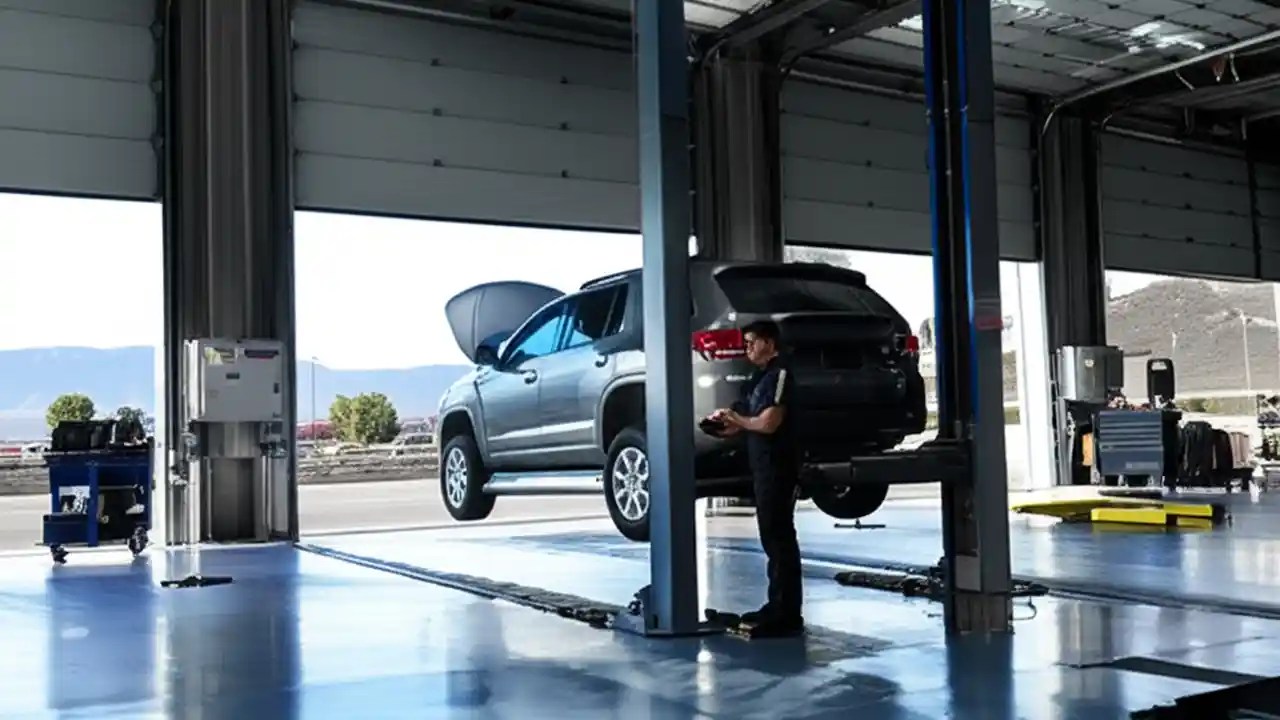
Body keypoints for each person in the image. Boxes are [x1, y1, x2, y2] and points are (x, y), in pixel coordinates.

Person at [707, 319, 803, 636]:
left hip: (779, 465)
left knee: (779, 537)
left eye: (751, 341)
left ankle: (787, 613)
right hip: (761, 465)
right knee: (770, 536)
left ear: (769, 343)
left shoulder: (780, 374)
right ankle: (776, 604)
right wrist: (725, 422)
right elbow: (748, 420)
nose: (747, 348)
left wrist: (741, 420)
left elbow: (769, 422)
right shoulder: (758, 378)